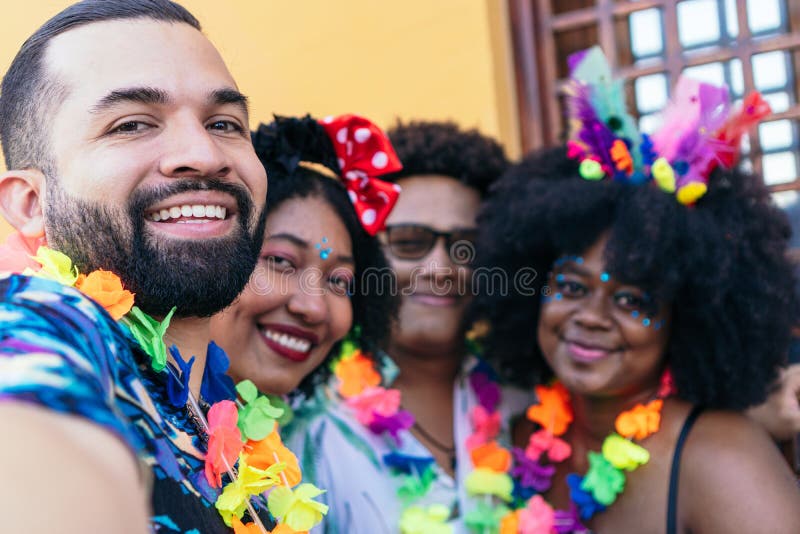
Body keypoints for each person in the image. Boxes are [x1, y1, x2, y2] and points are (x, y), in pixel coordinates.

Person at [0, 2, 324, 532]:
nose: (204, 153)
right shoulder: (40, 320)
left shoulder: (235, 429)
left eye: (224, 123)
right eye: (131, 124)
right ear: (32, 205)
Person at [470, 47, 800, 533]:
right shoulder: (516, 444)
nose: (592, 315)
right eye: (570, 286)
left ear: (683, 320)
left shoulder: (720, 458)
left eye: (633, 300)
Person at [284, 121, 533, 533]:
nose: (440, 270)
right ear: (364, 254)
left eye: (466, 246)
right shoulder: (308, 416)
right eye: (409, 242)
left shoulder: (525, 401)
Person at [210, 114, 397, 397]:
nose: (313, 308)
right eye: (282, 261)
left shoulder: (310, 435)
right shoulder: (127, 403)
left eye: (338, 281)